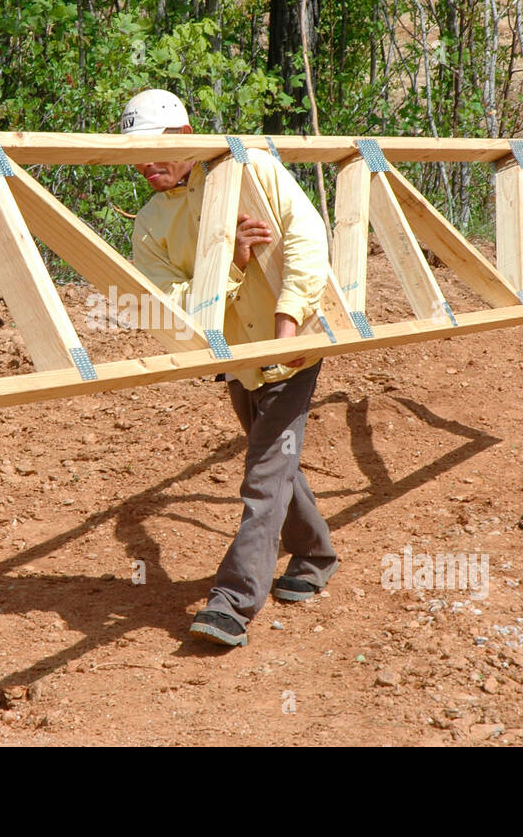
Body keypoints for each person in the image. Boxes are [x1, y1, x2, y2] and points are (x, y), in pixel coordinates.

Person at [121, 88, 339, 647]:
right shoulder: (149, 224)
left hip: (291, 348)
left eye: (155, 151)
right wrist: (232, 265)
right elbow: (169, 306)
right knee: (278, 461)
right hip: (236, 361)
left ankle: (232, 603)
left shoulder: (254, 167)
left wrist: (289, 322)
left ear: (186, 137)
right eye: (136, 154)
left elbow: (308, 240)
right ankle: (314, 557)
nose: (145, 165)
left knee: (263, 477)